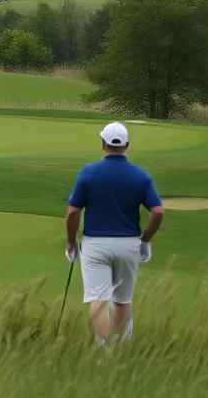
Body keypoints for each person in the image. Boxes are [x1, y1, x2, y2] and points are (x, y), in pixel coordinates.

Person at [65, 122, 164, 348]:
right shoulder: (140, 176)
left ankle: (105, 352)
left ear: (103, 144)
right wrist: (146, 241)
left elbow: (72, 212)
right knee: (122, 300)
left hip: (95, 244)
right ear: (126, 146)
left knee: (98, 300)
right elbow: (157, 211)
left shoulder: (88, 173)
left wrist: (71, 243)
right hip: (129, 245)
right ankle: (121, 350)